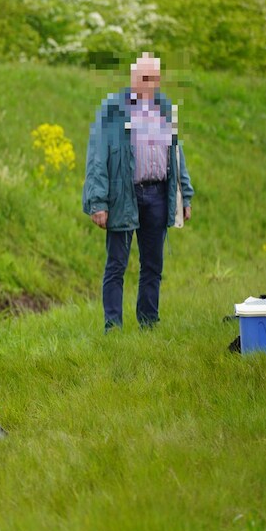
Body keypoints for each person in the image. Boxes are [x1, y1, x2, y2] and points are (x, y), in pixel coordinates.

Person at [82, 53, 194, 332]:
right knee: (116, 264)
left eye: (154, 78)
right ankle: (113, 327)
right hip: (124, 196)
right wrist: (98, 202)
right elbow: (96, 157)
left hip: (157, 194)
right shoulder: (112, 110)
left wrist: (185, 196)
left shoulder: (165, 108)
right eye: (144, 78)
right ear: (133, 79)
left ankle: (148, 322)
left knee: (153, 265)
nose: (150, 84)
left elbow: (176, 154)